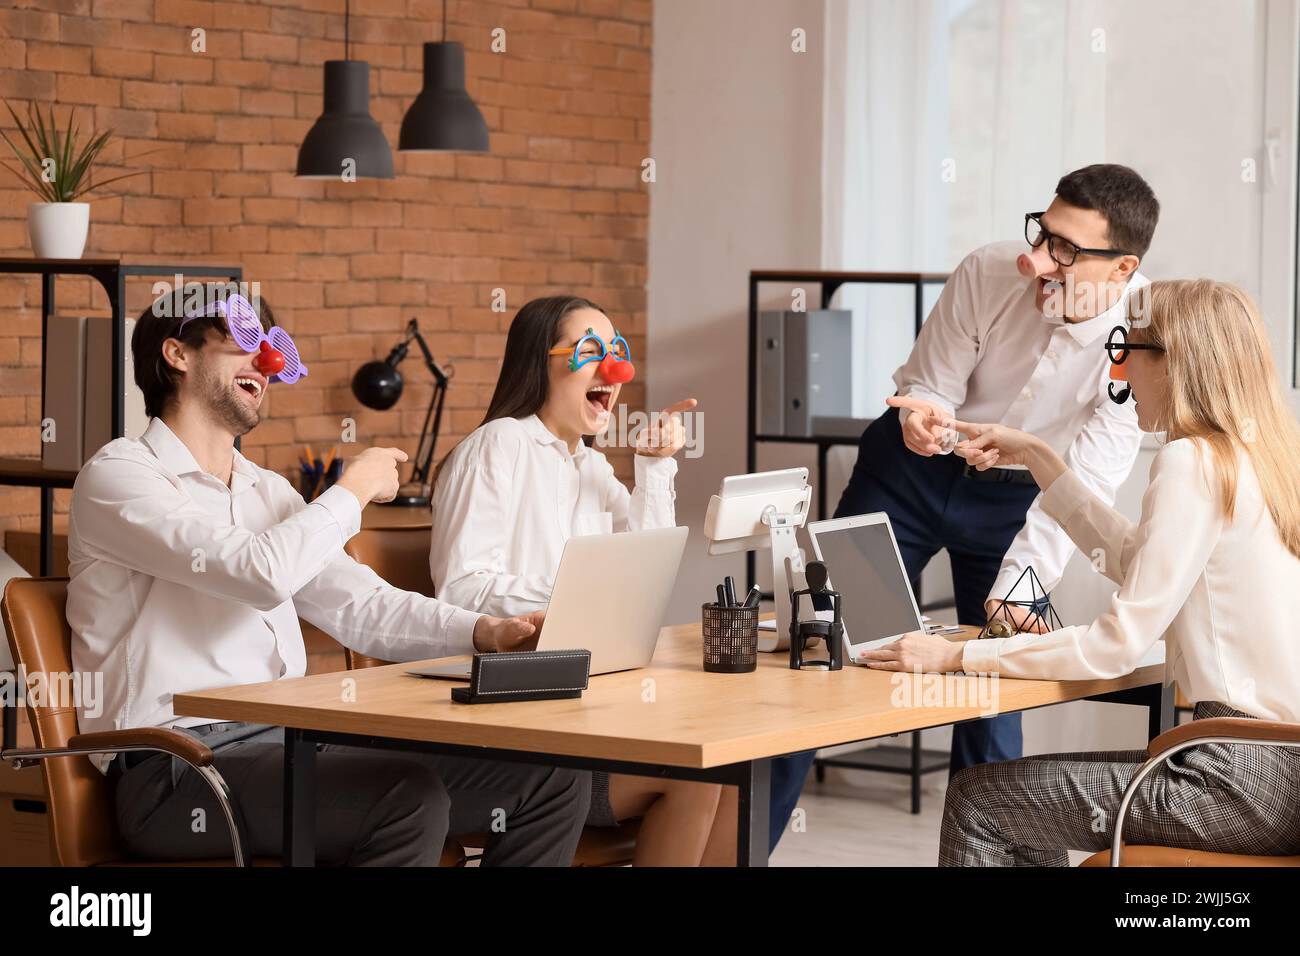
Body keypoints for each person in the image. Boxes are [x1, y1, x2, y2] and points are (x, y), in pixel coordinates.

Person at [68, 289, 590, 866]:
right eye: (244, 340)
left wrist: (486, 631)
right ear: (177, 354)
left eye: (271, 344)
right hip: (177, 772)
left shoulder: (266, 490)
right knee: (406, 798)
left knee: (553, 779)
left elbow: (361, 606)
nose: (265, 361)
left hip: (290, 744)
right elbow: (260, 573)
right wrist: (353, 489)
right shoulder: (119, 477)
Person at [767, 163, 1161, 852]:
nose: (1035, 260)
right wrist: (926, 417)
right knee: (823, 644)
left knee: (990, 683)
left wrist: (1016, 599)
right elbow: (931, 380)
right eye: (1042, 231)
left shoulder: (1142, 332)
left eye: (1065, 250)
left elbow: (1084, 485)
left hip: (1020, 502)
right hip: (906, 476)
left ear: (1122, 267)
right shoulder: (987, 271)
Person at [863, 279, 1300, 864]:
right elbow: (1137, 562)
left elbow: (1114, 648)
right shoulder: (1257, 459)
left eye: (1127, 350)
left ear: (1173, 361)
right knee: (1003, 795)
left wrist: (956, 655)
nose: (1116, 374)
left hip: (1232, 778)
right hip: (1276, 776)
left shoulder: (1191, 461)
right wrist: (1043, 461)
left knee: (982, 799)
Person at [430, 295, 735, 866]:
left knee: (733, 763)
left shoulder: (590, 465)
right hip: (520, 727)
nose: (614, 370)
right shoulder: (498, 447)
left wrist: (654, 468)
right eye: (591, 351)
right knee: (695, 775)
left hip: (591, 709)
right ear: (537, 362)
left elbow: (647, 571)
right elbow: (462, 589)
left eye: (617, 351)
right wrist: (576, 599)